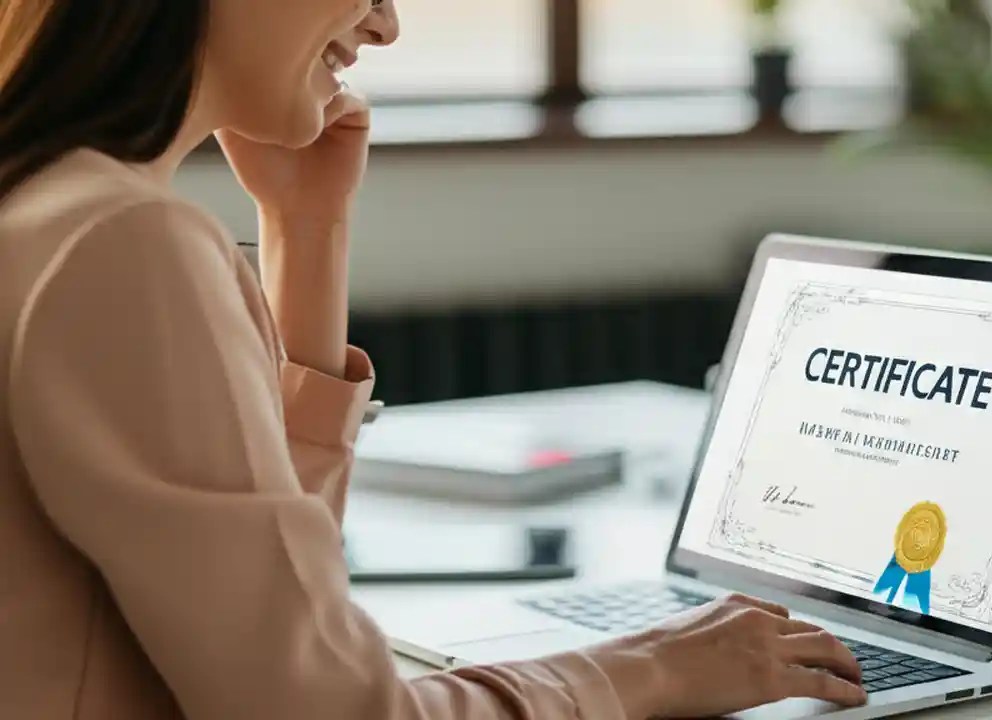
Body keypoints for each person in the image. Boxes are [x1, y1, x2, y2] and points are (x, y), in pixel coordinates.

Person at [0, 2, 866, 718]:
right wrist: (652, 671)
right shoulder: (121, 241)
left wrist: (307, 233)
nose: (385, 25)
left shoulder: (51, 206)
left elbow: (267, 618)